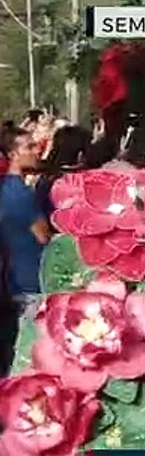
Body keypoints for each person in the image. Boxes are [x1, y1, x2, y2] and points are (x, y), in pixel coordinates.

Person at [0, 130, 51, 322]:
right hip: (32, 281)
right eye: (29, 147)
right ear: (13, 155)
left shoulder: (8, 187)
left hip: (16, 279)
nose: (37, 150)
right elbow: (43, 236)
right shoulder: (23, 194)